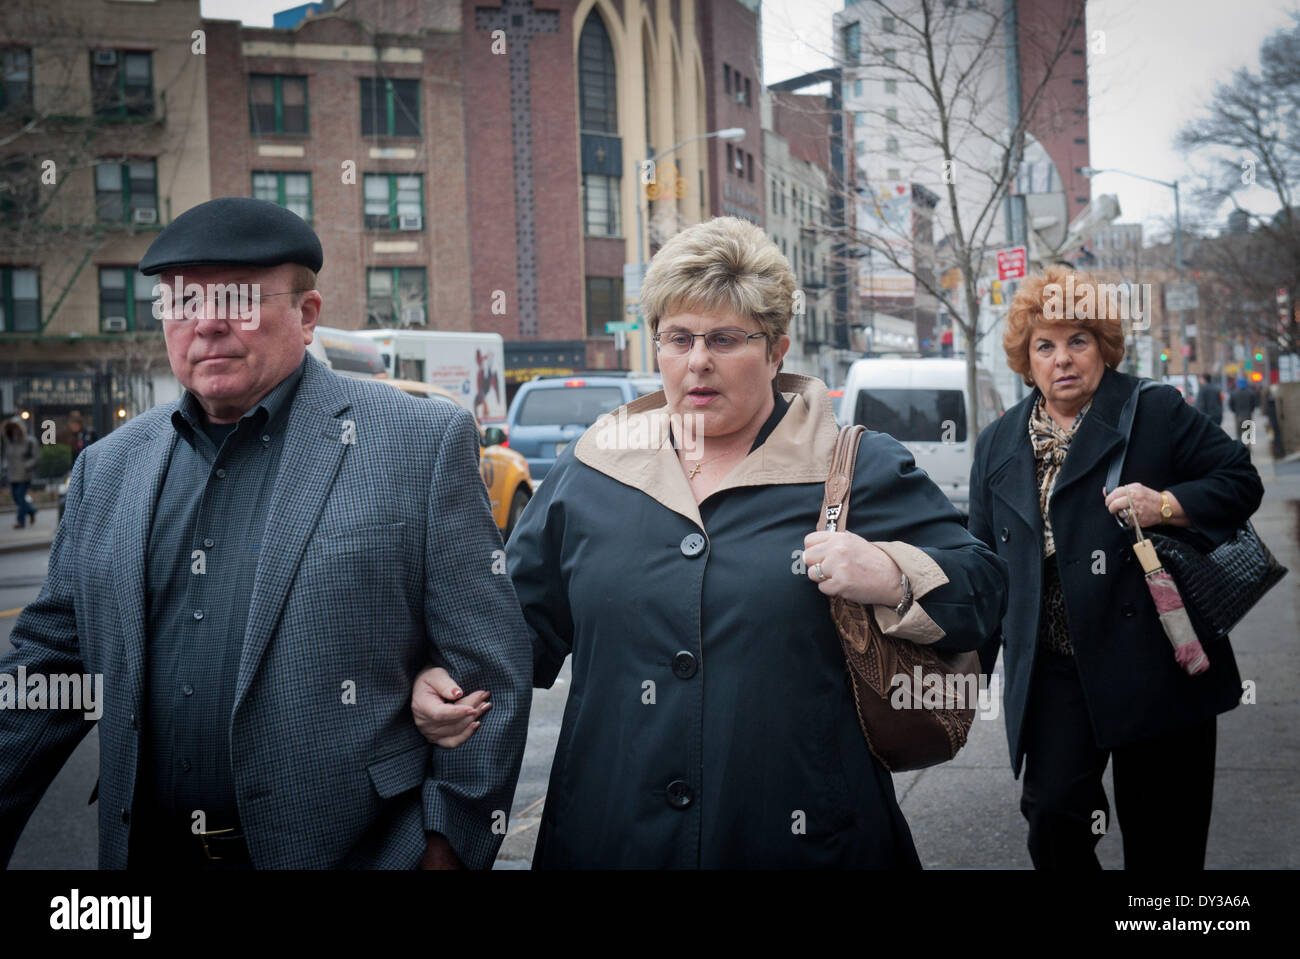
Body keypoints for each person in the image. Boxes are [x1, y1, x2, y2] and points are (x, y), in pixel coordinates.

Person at [411, 216, 1008, 868]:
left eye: (725, 338)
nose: (698, 359)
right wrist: (443, 676)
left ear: (777, 350)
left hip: (806, 840)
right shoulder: (592, 470)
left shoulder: (854, 468)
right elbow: (512, 628)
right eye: (679, 337)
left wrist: (894, 573)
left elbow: (984, 588)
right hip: (612, 834)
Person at [0, 197, 532, 870]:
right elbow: (46, 668)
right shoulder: (107, 469)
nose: (209, 325)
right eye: (184, 303)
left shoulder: (415, 442)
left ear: (307, 315)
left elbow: (490, 666)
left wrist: (445, 849)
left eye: (241, 300)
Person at [970, 266, 1263, 870]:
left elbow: (1239, 479)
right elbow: (981, 563)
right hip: (1053, 673)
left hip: (1155, 663)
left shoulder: (1152, 411)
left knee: (1164, 841)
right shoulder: (998, 443)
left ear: (1104, 345)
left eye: (1078, 340)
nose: (1062, 359)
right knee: (1053, 818)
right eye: (1044, 345)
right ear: (1025, 358)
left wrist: (1167, 506)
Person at [2, 418, 40, 529]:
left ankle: (21, 521)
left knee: (20, 496)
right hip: (12, 475)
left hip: (24, 475)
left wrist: (26, 466)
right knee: (16, 498)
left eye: (16, 428)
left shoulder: (29, 441)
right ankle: (32, 511)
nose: (14, 431)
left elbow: (36, 458)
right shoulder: (9, 442)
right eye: (12, 429)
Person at [1228, 376, 1257, 446]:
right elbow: (1254, 404)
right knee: (1248, 432)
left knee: (1239, 433)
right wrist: (1251, 410)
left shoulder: (1234, 393)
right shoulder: (1250, 392)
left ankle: (1240, 447)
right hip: (1248, 414)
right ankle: (1248, 447)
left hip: (1238, 415)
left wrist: (1234, 411)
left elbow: (1230, 404)